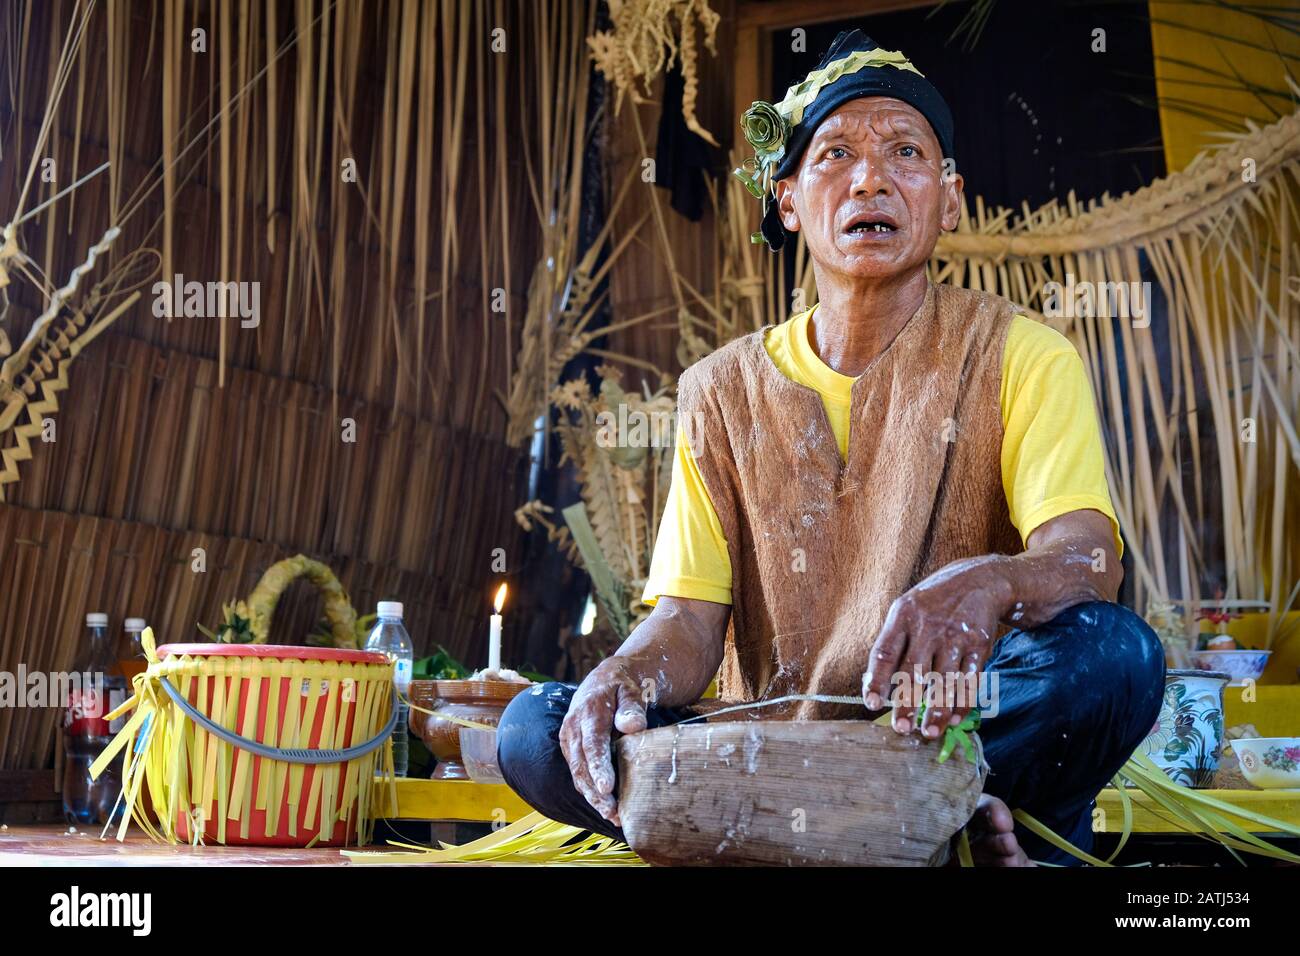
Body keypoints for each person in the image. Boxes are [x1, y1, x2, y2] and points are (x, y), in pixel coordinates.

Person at [497, 28, 1165, 866]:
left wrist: (992, 580)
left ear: (949, 199)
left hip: (943, 735)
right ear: (786, 202)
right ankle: (892, 821)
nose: (872, 177)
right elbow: (688, 623)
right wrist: (625, 676)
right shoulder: (720, 390)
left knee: (1116, 657)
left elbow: (1087, 562)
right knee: (537, 729)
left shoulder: (1022, 354)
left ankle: (856, 808)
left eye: (905, 152)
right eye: (836, 153)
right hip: (776, 747)